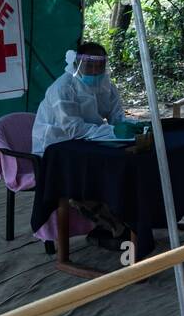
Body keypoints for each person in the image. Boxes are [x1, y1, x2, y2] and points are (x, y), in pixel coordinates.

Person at [32, 42, 128, 251]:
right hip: (55, 150)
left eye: (99, 66)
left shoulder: (105, 85)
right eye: (89, 65)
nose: (95, 71)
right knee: (83, 178)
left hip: (89, 144)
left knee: (123, 166)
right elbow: (73, 129)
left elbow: (116, 116)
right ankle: (114, 226)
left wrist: (126, 128)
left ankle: (122, 219)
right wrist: (113, 132)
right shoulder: (62, 88)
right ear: (77, 63)